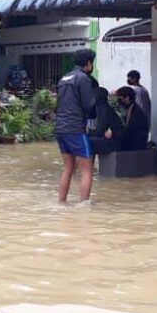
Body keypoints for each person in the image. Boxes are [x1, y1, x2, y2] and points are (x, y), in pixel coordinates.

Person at [55, 49, 98, 203]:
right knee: (87, 169)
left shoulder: (64, 78)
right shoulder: (83, 78)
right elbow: (88, 105)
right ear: (88, 63)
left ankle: (61, 202)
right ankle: (84, 206)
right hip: (75, 128)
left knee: (68, 167)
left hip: (60, 128)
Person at [88, 87, 124, 156]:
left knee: (88, 142)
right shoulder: (101, 108)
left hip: (115, 142)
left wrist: (89, 133)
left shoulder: (104, 110)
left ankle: (87, 166)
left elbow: (100, 131)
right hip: (110, 139)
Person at [116, 86, 150, 151]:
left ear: (127, 98)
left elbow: (129, 131)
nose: (119, 101)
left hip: (135, 146)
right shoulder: (129, 109)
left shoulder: (136, 113)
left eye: (120, 99)